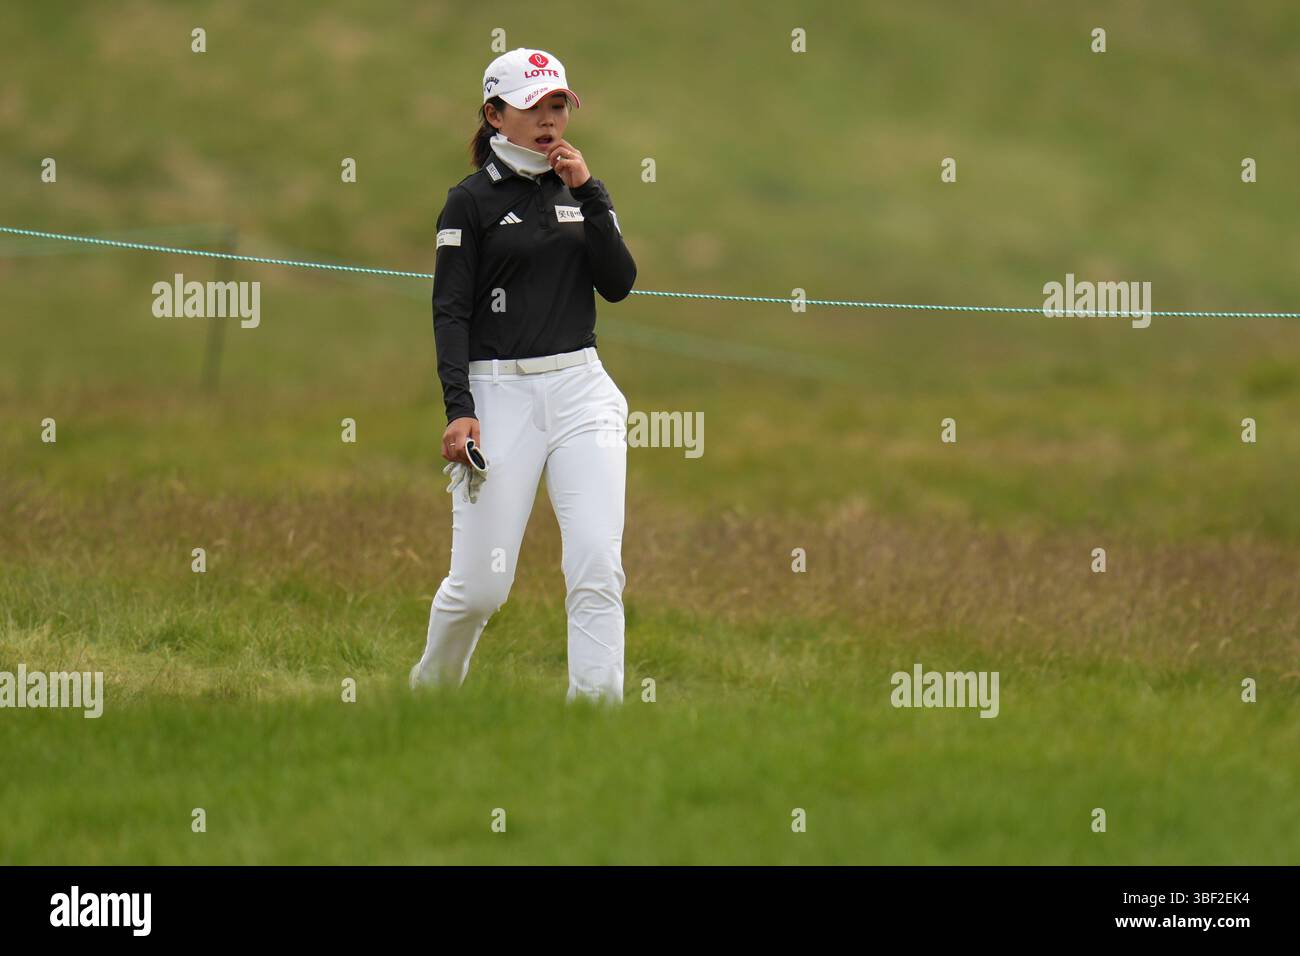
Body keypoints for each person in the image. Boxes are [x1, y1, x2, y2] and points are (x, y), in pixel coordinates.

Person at [410, 47, 637, 703]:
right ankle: (428, 694)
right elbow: (449, 311)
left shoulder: (580, 190)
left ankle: (596, 714)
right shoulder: (469, 203)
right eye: (534, 106)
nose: (549, 119)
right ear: (494, 115)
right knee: (482, 586)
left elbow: (619, 284)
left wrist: (590, 193)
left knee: (596, 563)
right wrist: (459, 407)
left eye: (558, 104)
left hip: (582, 389)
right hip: (497, 391)